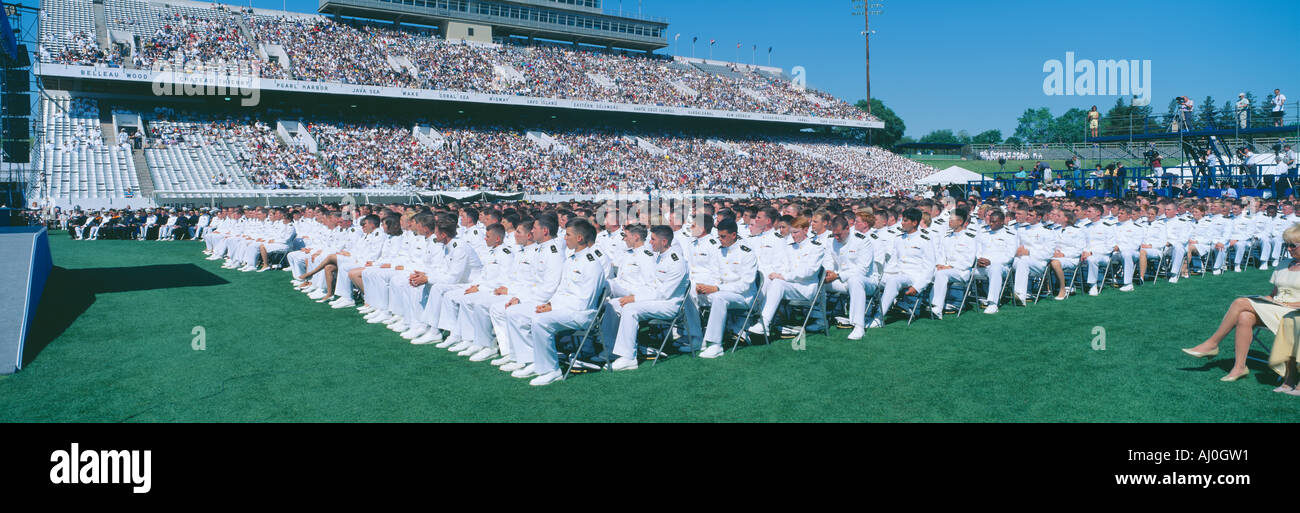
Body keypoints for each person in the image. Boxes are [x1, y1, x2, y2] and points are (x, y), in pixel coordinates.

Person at [1183, 224, 1300, 383]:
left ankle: (1212, 344)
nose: (1289, 249)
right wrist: (1262, 299)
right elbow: (1274, 294)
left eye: (1293, 245)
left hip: (1293, 313)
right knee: (1245, 316)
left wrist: (1287, 304)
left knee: (1240, 302)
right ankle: (1239, 367)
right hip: (1276, 308)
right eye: (1286, 245)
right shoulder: (1284, 263)